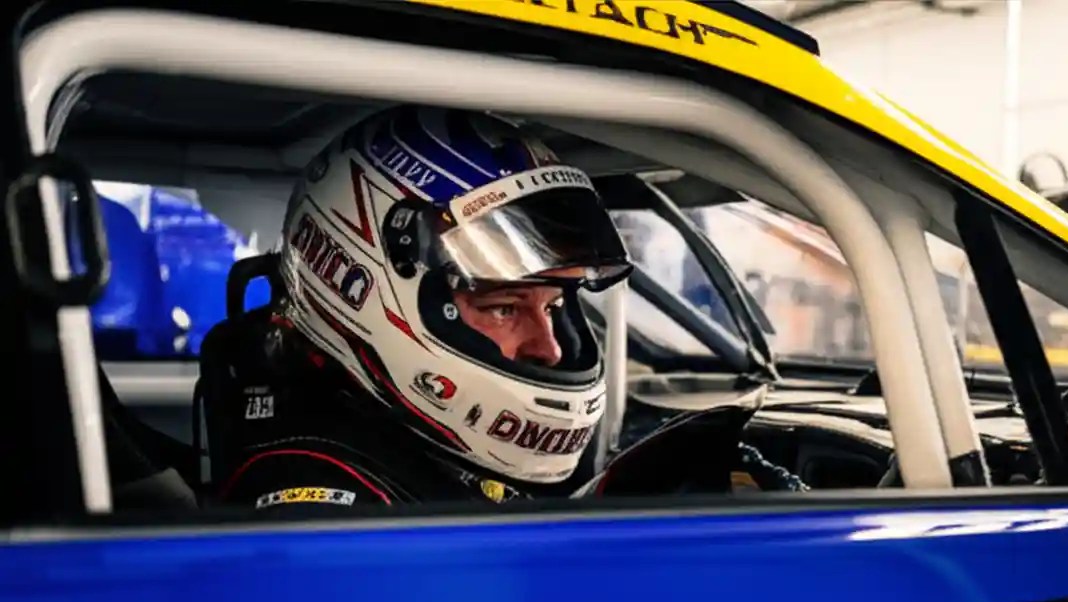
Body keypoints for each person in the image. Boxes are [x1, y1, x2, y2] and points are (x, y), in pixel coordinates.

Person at [198, 105, 803, 513]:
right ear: (362, 288)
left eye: (557, 304)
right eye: (506, 307)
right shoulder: (325, 514)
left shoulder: (401, 448)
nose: (553, 348)